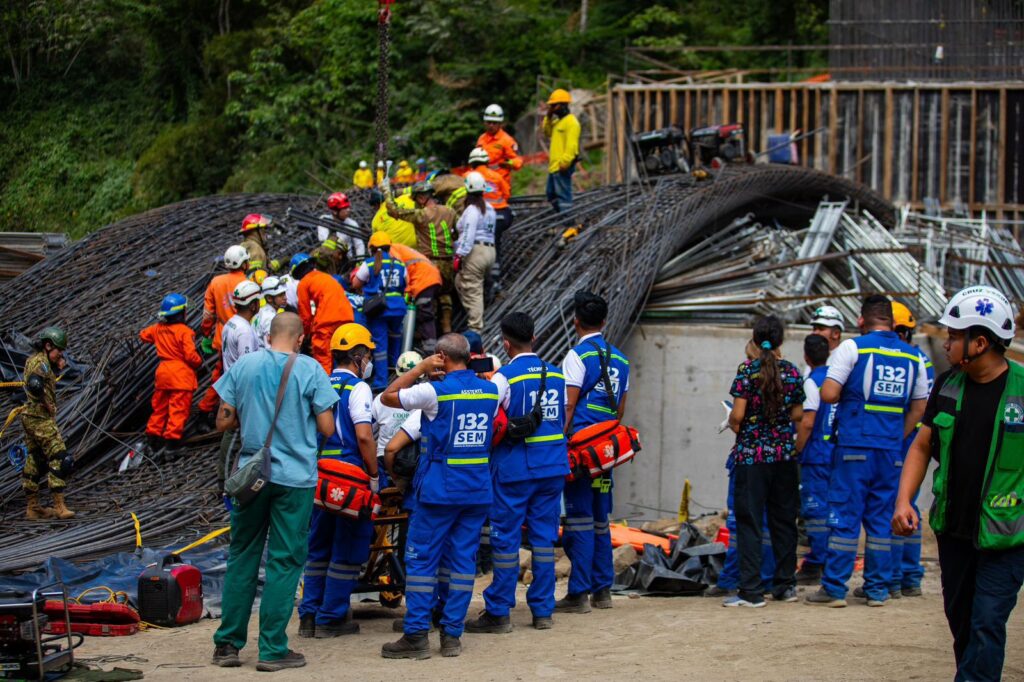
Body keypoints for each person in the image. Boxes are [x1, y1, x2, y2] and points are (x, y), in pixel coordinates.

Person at [893, 285, 1023, 682]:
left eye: (954, 336)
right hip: (954, 531)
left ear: (980, 342)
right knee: (963, 621)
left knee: (987, 622)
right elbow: (921, 446)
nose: (946, 342)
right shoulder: (947, 386)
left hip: (1006, 535)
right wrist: (904, 501)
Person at [210, 313, 338, 672]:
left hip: (252, 476)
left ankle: (227, 645)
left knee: (242, 556)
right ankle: (271, 649)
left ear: (268, 335)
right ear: (300, 338)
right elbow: (327, 425)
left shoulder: (244, 366)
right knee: (284, 561)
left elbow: (223, 420)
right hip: (295, 478)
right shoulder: (311, 369)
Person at [806, 294, 929, 607]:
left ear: (861, 320)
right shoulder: (914, 356)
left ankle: (834, 589)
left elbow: (830, 393)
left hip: (853, 448)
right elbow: (919, 408)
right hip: (890, 451)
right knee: (881, 520)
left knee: (844, 517)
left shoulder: (853, 347)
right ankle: (876, 590)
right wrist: (894, 434)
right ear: (891, 320)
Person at [380, 334, 498, 660]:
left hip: (439, 491)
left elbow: (388, 396)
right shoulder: (492, 389)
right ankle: (451, 636)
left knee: (421, 561)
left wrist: (421, 365)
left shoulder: (435, 392)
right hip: (476, 490)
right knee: (461, 564)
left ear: (442, 357)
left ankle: (417, 634)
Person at [465, 312, 568, 633]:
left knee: (506, 539)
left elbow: (489, 419)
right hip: (552, 468)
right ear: (534, 338)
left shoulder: (504, 378)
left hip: (515, 470)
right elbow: (561, 419)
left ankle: (499, 612)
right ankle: (542, 611)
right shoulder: (558, 376)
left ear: (506, 344)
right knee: (544, 539)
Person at [298, 323, 380, 639]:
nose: (370, 360)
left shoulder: (317, 383)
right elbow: (363, 436)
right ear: (358, 356)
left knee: (318, 546)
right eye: (369, 354)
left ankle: (309, 615)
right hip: (349, 475)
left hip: (317, 472)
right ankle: (331, 617)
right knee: (348, 547)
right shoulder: (358, 388)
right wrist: (373, 475)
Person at [724, 316, 804, 608]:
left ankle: (751, 591)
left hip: (752, 457)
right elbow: (798, 415)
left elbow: (737, 417)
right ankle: (785, 586)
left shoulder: (747, 371)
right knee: (785, 522)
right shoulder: (792, 372)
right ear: (781, 341)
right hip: (784, 456)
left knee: (750, 521)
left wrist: (737, 424)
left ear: (755, 340)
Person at [557, 290, 629, 613]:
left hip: (581, 451)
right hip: (608, 450)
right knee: (601, 517)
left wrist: (560, 439)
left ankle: (579, 593)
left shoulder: (576, 357)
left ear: (576, 321)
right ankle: (603, 590)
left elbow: (569, 404)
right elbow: (620, 410)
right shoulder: (622, 359)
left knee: (579, 519)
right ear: (604, 321)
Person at [888, 300, 935, 598]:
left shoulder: (904, 360)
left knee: (894, 506)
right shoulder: (922, 360)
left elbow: (917, 408)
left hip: (901, 441)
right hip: (913, 440)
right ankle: (909, 576)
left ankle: (893, 577)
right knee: (910, 506)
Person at [383, 180, 458, 334]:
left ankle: (431, 334)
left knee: (429, 299)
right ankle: (447, 327)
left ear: (422, 198)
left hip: (431, 263)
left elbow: (393, 211)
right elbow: (457, 233)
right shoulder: (450, 211)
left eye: (416, 199)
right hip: (449, 262)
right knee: (445, 294)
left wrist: (386, 192)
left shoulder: (421, 215)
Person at [20, 327, 75, 520]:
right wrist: (47, 404)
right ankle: (59, 506)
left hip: (30, 417)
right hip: (39, 417)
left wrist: (57, 365)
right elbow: (35, 385)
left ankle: (33, 507)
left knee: (35, 459)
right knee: (60, 457)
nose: (60, 354)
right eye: (58, 350)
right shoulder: (40, 363)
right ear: (48, 345)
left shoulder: (35, 360)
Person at [794, 334, 836, 585]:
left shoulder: (811, 383)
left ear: (806, 357)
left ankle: (817, 562)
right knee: (832, 509)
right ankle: (828, 559)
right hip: (835, 453)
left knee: (815, 511)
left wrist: (797, 448)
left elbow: (807, 422)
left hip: (817, 456)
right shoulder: (835, 380)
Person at [139, 294, 202, 454]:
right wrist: (198, 361)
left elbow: (143, 335)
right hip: (180, 375)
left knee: (159, 408)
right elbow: (190, 356)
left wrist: (160, 327)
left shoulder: (158, 328)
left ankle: (152, 440)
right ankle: (172, 445)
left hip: (163, 374)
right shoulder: (184, 331)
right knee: (178, 409)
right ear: (181, 313)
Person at [198, 245, 250, 422]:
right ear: (244, 263)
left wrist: (206, 333)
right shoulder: (248, 284)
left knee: (222, 374)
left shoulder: (216, 282)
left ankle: (206, 411)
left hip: (223, 338)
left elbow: (208, 314)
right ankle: (209, 411)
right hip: (245, 338)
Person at [351, 232, 408, 392]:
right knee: (396, 339)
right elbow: (405, 284)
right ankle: (398, 374)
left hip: (379, 309)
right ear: (389, 247)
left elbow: (356, 283)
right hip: (398, 308)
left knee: (380, 345)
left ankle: (381, 380)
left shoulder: (369, 264)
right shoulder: (399, 264)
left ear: (372, 248)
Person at [293, 253, 355, 374]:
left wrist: (305, 335)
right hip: (347, 317)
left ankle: (324, 389)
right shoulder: (326, 277)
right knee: (344, 355)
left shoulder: (304, 283)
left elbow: (305, 315)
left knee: (323, 358)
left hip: (326, 322)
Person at [454, 172, 497, 334]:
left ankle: (475, 328)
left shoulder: (472, 210)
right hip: (490, 251)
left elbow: (468, 234)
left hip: (475, 252)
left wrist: (460, 254)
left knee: (472, 289)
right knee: (461, 281)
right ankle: (476, 314)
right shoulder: (490, 209)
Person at [388, 242, 442, 353]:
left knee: (425, 316)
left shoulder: (391, 250)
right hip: (431, 276)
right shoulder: (400, 247)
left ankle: (430, 351)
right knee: (424, 314)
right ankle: (428, 347)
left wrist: (405, 291)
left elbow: (400, 269)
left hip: (423, 279)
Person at [540, 89, 580, 218]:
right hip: (554, 166)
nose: (552, 108)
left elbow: (572, 145)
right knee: (551, 194)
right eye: (551, 106)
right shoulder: (557, 123)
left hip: (563, 165)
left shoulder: (572, 122)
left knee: (563, 196)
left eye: (554, 105)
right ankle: (564, 217)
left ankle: (569, 223)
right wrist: (549, 116)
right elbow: (546, 132)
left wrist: (565, 162)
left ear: (563, 105)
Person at [477, 103, 523, 198]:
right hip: (483, 184)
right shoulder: (481, 139)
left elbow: (518, 161)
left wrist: (509, 162)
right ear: (484, 122)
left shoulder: (507, 140)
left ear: (500, 124)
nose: (491, 125)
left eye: (494, 123)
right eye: (489, 122)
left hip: (501, 185)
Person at [315, 192, 366, 274]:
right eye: (345, 208)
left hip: (347, 262)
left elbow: (359, 245)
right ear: (335, 211)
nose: (348, 210)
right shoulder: (324, 220)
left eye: (348, 207)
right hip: (329, 260)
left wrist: (359, 264)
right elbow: (323, 241)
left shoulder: (352, 224)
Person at [221, 281, 262, 373]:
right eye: (258, 301)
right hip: (240, 385)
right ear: (252, 306)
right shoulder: (244, 331)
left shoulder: (230, 322)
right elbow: (247, 368)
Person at [254, 276, 288, 348]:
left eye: (284, 293)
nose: (285, 298)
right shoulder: (270, 318)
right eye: (280, 295)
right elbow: (270, 349)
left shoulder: (261, 311)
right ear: (269, 298)